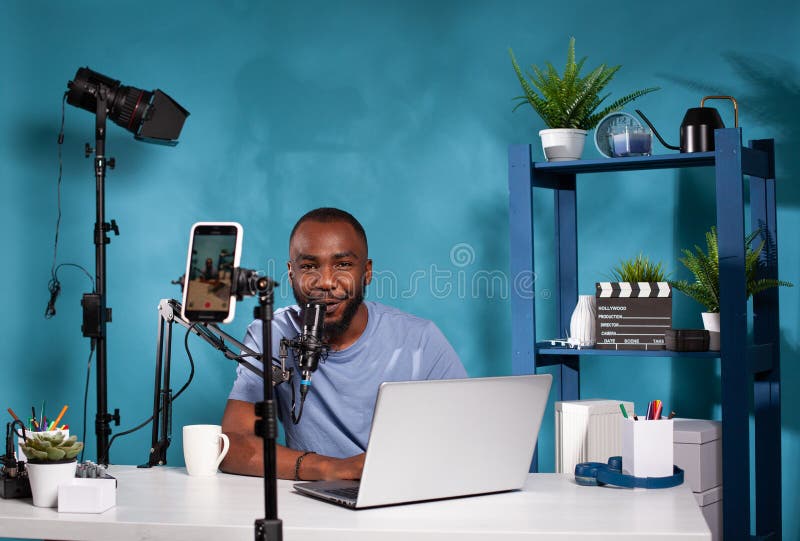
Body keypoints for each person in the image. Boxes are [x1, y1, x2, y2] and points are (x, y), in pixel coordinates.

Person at [220, 208, 466, 480]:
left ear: (367, 272)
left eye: (343, 265)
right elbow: (233, 446)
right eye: (310, 266)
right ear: (292, 274)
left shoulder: (420, 339)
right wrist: (332, 468)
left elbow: (465, 439)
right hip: (310, 500)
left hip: (400, 494)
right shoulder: (271, 334)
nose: (326, 282)